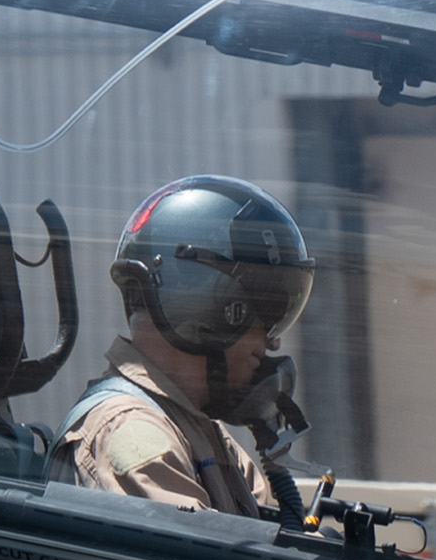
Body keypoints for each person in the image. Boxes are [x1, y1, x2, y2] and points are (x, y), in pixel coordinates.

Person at [51, 176, 316, 520]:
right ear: (205, 305)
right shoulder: (135, 437)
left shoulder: (200, 432)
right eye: (263, 313)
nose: (273, 341)